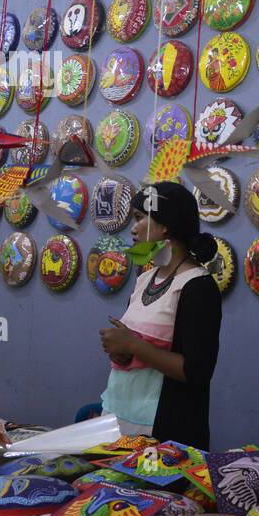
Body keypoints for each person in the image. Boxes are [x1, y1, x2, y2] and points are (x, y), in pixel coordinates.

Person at [98, 181, 221, 449]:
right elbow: (142, 347)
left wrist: (134, 345)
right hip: (119, 418)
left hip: (164, 432)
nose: (132, 228)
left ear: (165, 224)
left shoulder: (198, 286)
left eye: (140, 218)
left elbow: (196, 370)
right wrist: (121, 350)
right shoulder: (146, 277)